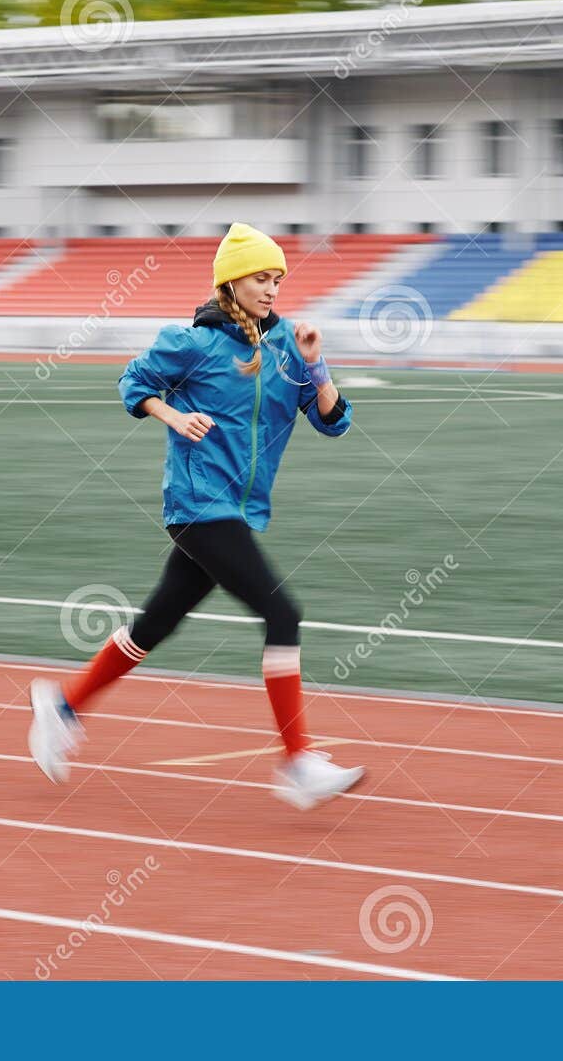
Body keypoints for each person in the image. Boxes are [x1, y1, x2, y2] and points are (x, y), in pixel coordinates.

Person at [28, 223, 366, 810]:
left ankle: (62, 708)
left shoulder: (289, 344)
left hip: (242, 510)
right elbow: (132, 382)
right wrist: (174, 416)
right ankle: (298, 763)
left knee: (156, 623)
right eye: (261, 278)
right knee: (282, 613)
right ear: (231, 282)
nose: (272, 288)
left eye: (278, 278)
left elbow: (333, 422)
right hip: (198, 505)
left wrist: (317, 366)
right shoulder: (193, 343)